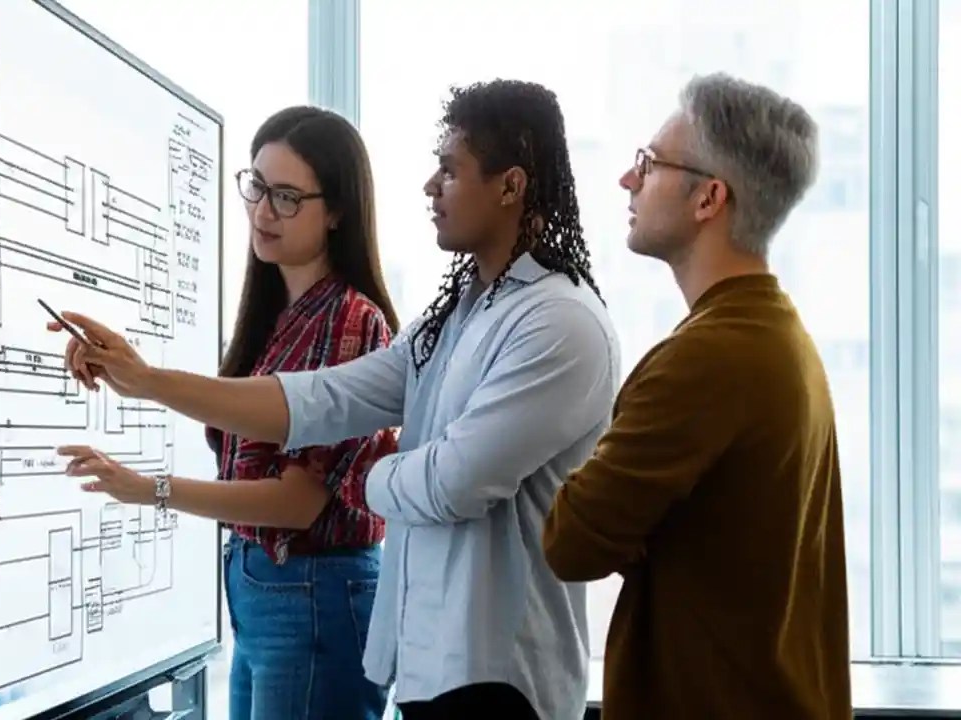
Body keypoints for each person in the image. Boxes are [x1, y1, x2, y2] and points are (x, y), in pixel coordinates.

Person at [52, 80, 619, 720]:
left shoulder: (558, 321)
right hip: (434, 662)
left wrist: (369, 479)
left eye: (449, 170)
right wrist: (145, 379)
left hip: (503, 674)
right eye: (257, 189)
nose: (431, 187)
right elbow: (319, 400)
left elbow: (452, 484)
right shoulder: (461, 316)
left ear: (510, 186)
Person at [58, 105, 401, 720]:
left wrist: (150, 488)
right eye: (257, 187)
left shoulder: (351, 319)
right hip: (268, 591)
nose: (263, 211)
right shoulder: (275, 319)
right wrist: (129, 376)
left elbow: (295, 501)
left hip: (312, 591)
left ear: (338, 211)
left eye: (288, 197)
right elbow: (245, 439)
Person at [542, 72, 853, 719]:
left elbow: (570, 541)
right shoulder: (777, 333)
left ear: (709, 198)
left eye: (649, 163)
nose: (628, 180)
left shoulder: (706, 358)